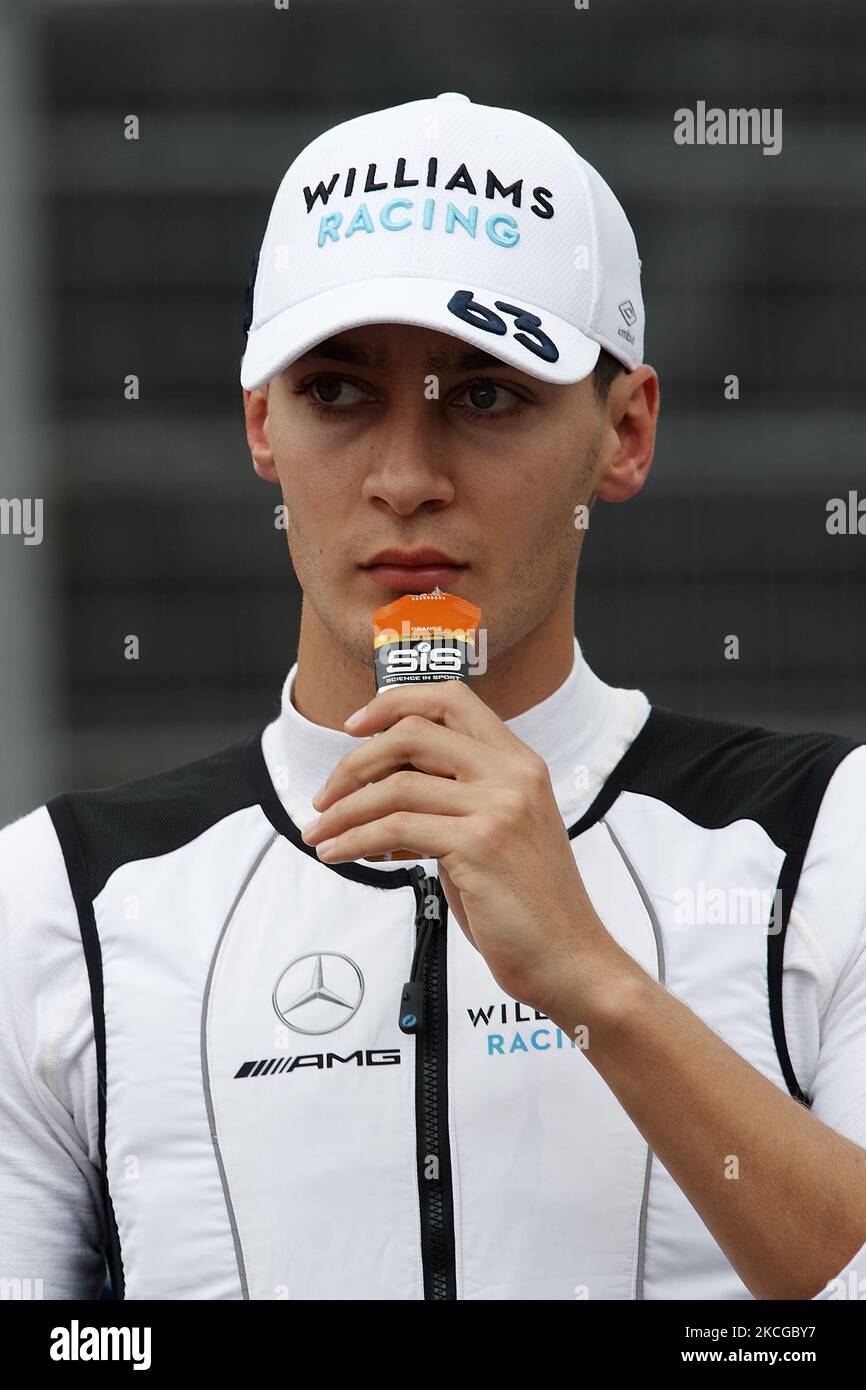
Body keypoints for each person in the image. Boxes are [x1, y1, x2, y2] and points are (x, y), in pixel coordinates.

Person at [1, 92, 865, 1302]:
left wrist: (592, 980)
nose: (405, 478)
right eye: (339, 394)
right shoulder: (59, 896)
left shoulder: (824, 837)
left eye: (486, 395)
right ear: (261, 424)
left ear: (622, 432)